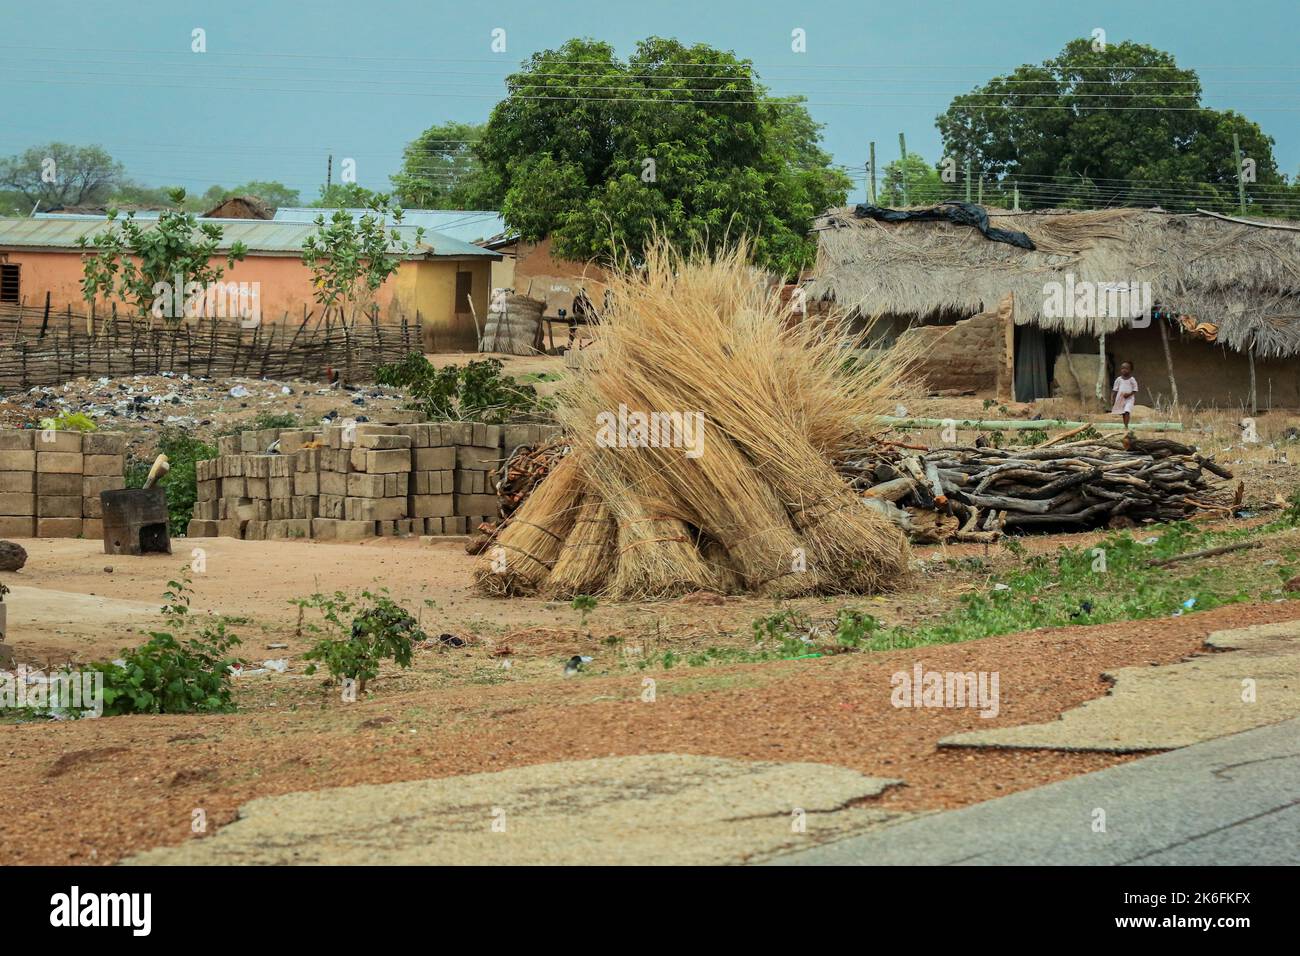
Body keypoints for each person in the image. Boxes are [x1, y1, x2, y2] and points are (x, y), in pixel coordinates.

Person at [1111, 361, 1139, 429]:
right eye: (1122, 368)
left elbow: (1135, 389)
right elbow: (1115, 390)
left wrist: (1129, 394)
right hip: (1121, 398)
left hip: (1129, 399)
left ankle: (1126, 426)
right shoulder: (1119, 379)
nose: (1124, 370)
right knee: (1123, 412)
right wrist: (1112, 398)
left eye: (1126, 368)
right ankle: (1125, 425)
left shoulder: (1132, 380)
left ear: (1130, 370)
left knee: (1127, 411)